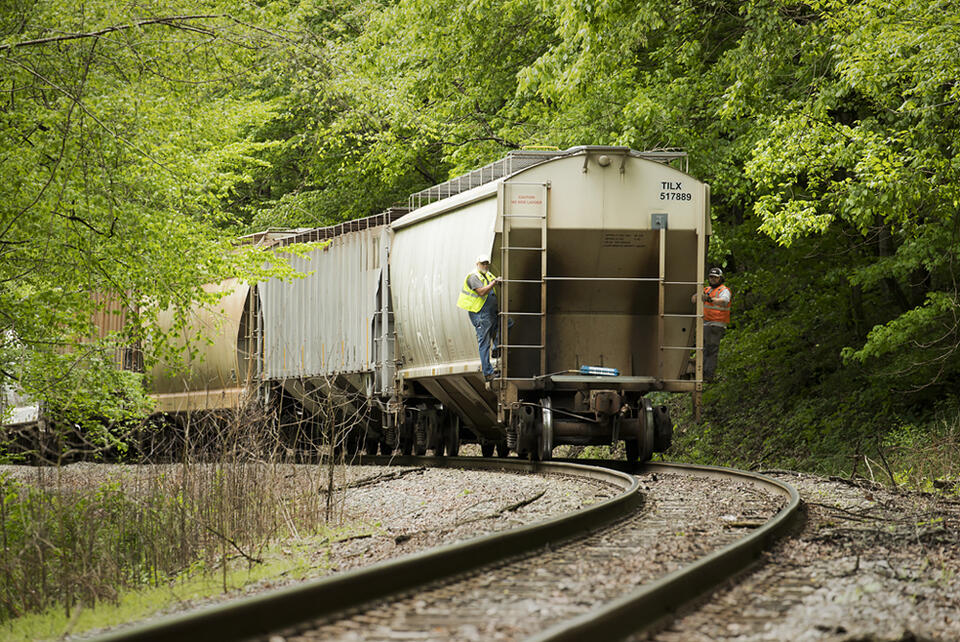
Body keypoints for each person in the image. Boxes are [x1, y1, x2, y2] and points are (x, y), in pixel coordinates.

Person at [456, 254, 501, 381]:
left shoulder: (489, 275)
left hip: (491, 313)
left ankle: (496, 347)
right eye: (483, 263)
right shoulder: (473, 277)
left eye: (487, 263)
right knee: (484, 343)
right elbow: (481, 291)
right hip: (480, 314)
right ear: (477, 264)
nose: (485, 265)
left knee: (507, 324)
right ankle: (488, 373)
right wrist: (494, 283)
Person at [692, 267, 732, 381]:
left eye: (715, 277)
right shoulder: (707, 289)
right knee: (704, 349)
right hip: (705, 323)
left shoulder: (724, 290)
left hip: (716, 324)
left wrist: (709, 299)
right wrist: (696, 297)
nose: (713, 279)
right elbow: (694, 298)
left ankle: (708, 375)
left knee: (711, 349)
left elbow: (724, 301)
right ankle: (702, 373)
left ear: (720, 278)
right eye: (711, 277)